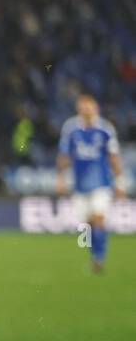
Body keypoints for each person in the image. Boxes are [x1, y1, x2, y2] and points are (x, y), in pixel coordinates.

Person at [57, 94, 124, 273]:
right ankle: (94, 255)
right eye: (83, 107)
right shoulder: (71, 129)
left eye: (90, 107)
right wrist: (61, 178)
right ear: (79, 109)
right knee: (87, 226)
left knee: (99, 220)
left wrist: (120, 183)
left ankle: (99, 258)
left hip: (102, 183)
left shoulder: (105, 129)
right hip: (79, 186)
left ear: (96, 109)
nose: (86, 110)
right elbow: (64, 155)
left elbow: (114, 157)